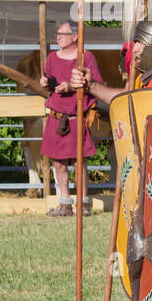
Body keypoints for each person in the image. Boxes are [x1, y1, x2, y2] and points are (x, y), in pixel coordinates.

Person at [41, 20, 101, 216]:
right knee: (58, 162)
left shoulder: (86, 58)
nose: (58, 37)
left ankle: (82, 203)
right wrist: (46, 83)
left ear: (75, 37)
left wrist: (72, 86)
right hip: (56, 117)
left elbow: (96, 85)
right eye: (57, 34)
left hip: (76, 117)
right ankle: (65, 203)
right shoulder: (51, 58)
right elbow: (50, 83)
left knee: (78, 161)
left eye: (63, 34)